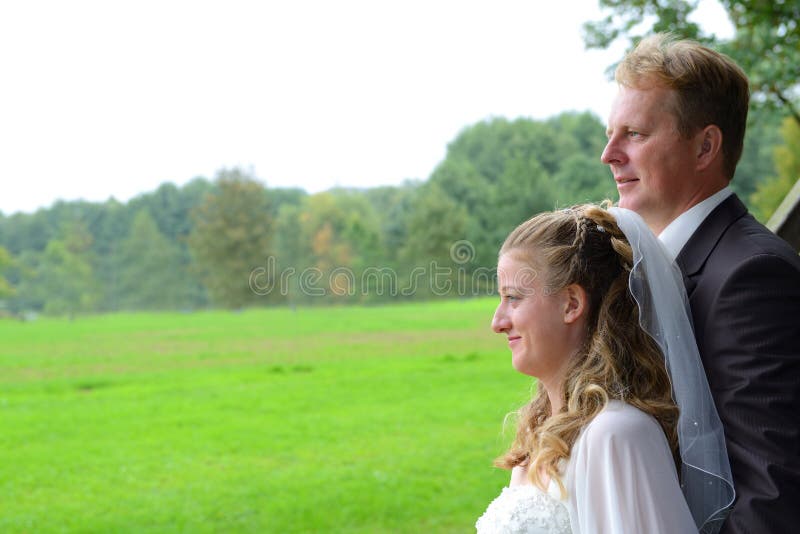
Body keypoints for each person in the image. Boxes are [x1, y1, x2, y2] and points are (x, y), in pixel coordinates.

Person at [601, 33, 800, 533]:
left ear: (705, 146)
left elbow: (772, 493)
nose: (609, 154)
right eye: (610, 133)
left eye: (635, 134)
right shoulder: (658, 266)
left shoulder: (751, 276)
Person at [476, 204, 732, 533]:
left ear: (571, 303)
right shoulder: (540, 433)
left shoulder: (617, 434)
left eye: (513, 298)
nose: (497, 322)